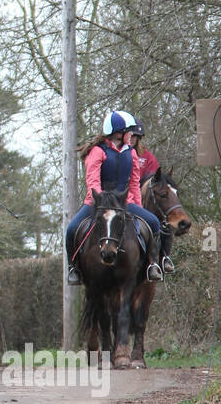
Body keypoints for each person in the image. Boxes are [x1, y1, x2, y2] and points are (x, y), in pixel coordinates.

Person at [65, 109, 162, 286]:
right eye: (129, 131)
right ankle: (74, 268)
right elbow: (92, 181)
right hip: (97, 202)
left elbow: (134, 183)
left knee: (154, 223)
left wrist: (138, 206)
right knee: (71, 229)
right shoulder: (97, 151)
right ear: (119, 132)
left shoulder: (131, 153)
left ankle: (153, 264)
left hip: (124, 202)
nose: (132, 135)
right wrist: (101, 200)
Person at [126, 120, 175, 273]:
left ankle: (165, 257)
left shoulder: (146, 156)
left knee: (165, 221)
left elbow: (155, 177)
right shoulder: (121, 153)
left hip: (144, 195)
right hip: (123, 195)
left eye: (136, 136)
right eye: (131, 135)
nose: (133, 138)